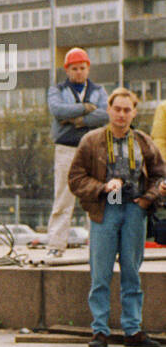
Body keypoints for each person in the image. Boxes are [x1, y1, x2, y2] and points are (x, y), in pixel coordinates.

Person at [68, 88, 165, 347]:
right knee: (100, 272)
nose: (121, 114)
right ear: (109, 110)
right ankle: (100, 330)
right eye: (117, 109)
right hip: (105, 209)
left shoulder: (144, 141)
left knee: (132, 272)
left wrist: (149, 197)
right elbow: (75, 178)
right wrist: (101, 186)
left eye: (127, 110)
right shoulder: (92, 141)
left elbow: (160, 174)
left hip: (135, 209)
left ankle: (133, 329)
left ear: (134, 112)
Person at [45, 48, 108, 258]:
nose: (79, 72)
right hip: (65, 148)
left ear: (88, 68)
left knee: (95, 196)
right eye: (75, 68)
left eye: (82, 68)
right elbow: (57, 110)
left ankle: (98, 246)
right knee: (63, 197)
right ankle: (55, 244)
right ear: (67, 70)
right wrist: (85, 108)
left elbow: (104, 114)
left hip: (92, 149)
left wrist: (76, 119)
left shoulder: (99, 90)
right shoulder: (57, 90)